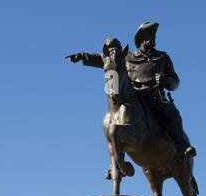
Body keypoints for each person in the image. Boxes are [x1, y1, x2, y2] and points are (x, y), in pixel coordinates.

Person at [67, 21, 196, 159]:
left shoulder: (163, 58)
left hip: (155, 98)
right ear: (141, 39)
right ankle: (116, 162)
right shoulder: (128, 58)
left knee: (173, 114)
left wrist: (167, 81)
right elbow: (104, 59)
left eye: (154, 37)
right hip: (135, 96)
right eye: (150, 36)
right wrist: (82, 56)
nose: (153, 39)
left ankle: (182, 146)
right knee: (115, 118)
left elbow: (175, 81)